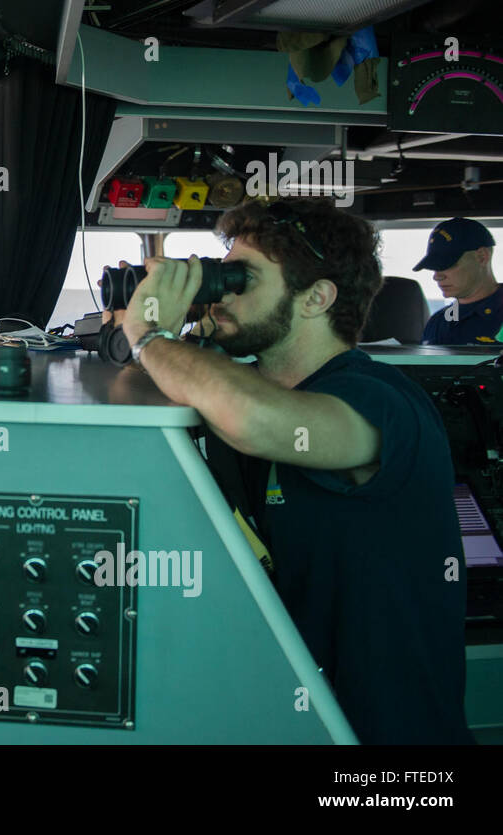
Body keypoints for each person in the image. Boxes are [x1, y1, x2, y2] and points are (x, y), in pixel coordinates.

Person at [118, 198, 472, 745]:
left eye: (242, 279)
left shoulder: (380, 400)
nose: (223, 291)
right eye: (221, 274)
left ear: (318, 298)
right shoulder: (236, 384)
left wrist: (150, 337)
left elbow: (257, 421)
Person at [415, 217, 503, 345]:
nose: (437, 276)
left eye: (447, 264)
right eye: (434, 267)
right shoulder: (437, 322)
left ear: (482, 257)